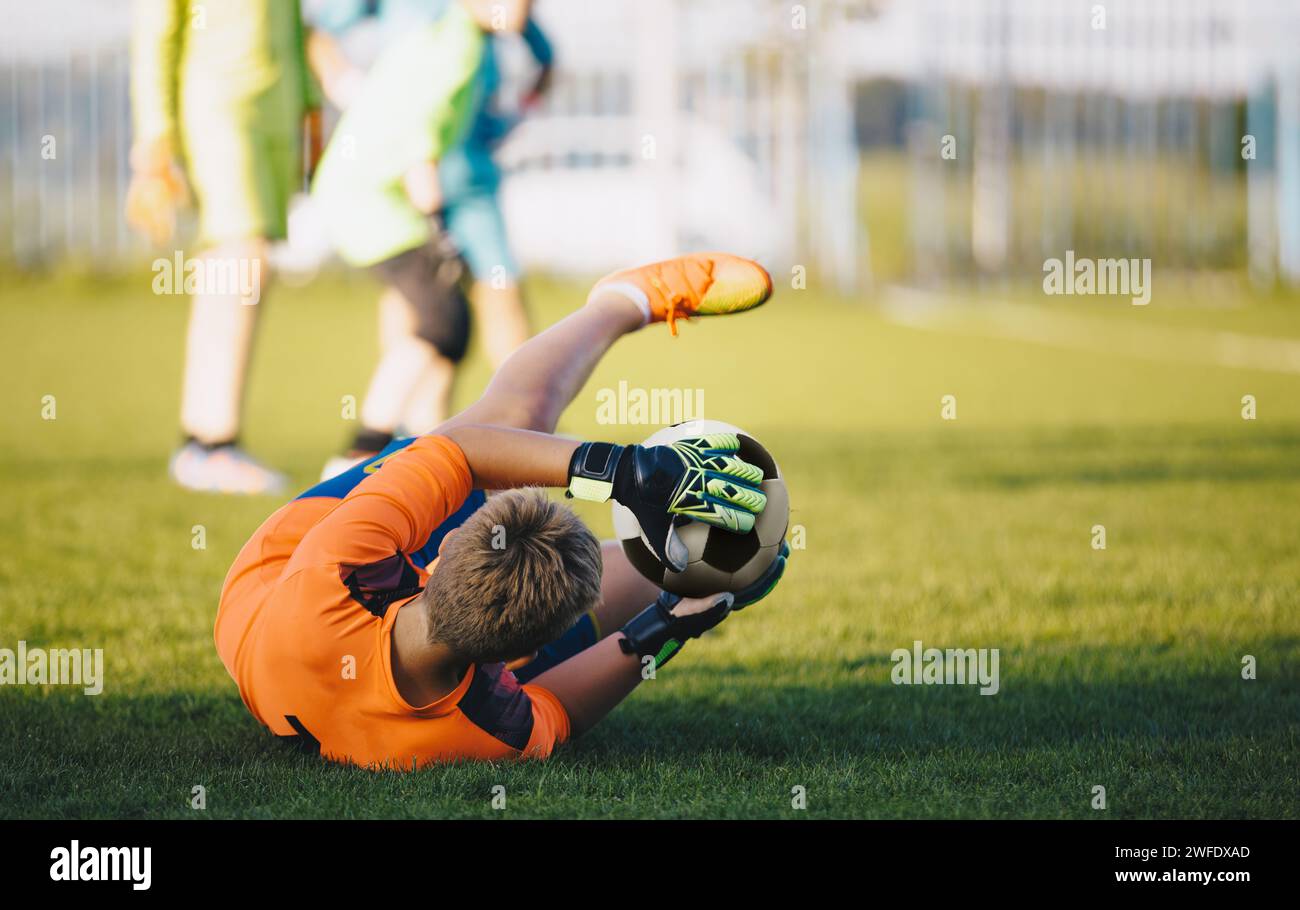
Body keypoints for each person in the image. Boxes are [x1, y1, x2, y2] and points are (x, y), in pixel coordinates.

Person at [215, 252, 788, 767]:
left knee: (513, 417)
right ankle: (623, 300)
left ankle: (624, 301)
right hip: (319, 615)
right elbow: (558, 715)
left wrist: (621, 470)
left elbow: (465, 452)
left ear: (437, 553)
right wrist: (671, 622)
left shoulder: (338, 565)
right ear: (519, 659)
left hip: (274, 574)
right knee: (667, 570)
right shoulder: (491, 727)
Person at [309, 0, 546, 481]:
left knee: (449, 327)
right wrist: (437, 223)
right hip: (370, 200)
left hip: (377, 195)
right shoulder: (455, 45)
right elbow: (420, 134)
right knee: (440, 320)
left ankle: (414, 451)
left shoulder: (464, 35)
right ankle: (360, 453)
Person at [127, 0, 320, 494]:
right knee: (244, 259)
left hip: (277, 115)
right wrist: (154, 142)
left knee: (232, 268)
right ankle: (215, 444)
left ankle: (200, 441)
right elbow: (155, 31)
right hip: (217, 104)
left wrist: (310, 107)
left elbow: (294, 24)